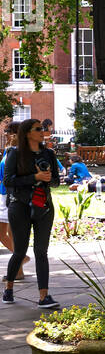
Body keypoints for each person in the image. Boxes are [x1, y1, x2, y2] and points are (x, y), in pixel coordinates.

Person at [2, 119, 60, 307]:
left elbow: (56, 182)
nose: (42, 131)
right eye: (38, 129)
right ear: (27, 133)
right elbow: (8, 181)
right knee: (20, 251)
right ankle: (9, 289)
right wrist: (34, 177)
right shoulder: (15, 153)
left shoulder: (48, 153)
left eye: (43, 128)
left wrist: (49, 178)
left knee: (41, 251)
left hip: (43, 206)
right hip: (20, 206)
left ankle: (44, 296)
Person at [0, 131, 29, 278]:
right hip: (6, 196)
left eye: (10, 132)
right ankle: (19, 264)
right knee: (6, 234)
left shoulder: (15, 155)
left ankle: (18, 268)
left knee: (11, 234)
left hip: (9, 197)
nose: (8, 135)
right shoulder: (9, 152)